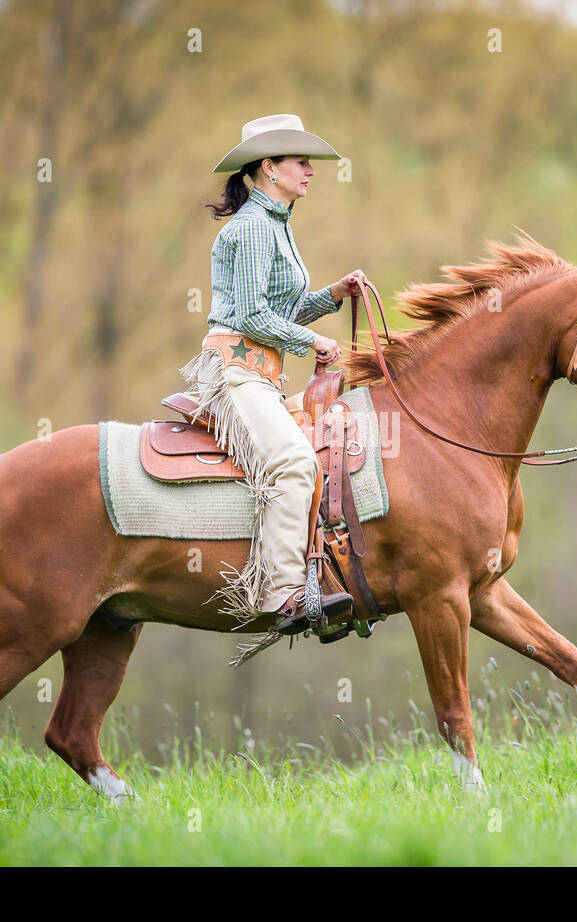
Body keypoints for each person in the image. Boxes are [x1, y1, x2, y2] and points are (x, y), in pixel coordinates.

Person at [182, 113, 363, 635]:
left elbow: (276, 311)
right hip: (234, 373)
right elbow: (251, 317)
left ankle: (317, 579)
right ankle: (281, 594)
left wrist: (332, 296)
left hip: (260, 375)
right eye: (301, 162)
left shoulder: (275, 225)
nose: (311, 171)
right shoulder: (256, 227)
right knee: (293, 463)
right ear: (269, 167)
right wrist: (315, 341)